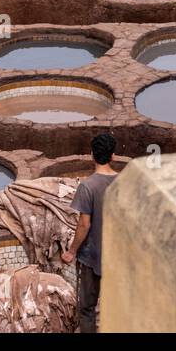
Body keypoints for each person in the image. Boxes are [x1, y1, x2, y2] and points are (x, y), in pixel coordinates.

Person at [63, 132, 120, 333]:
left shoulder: (88, 186)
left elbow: (84, 225)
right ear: (113, 156)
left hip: (92, 257)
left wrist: (71, 251)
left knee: (87, 308)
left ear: (91, 155)